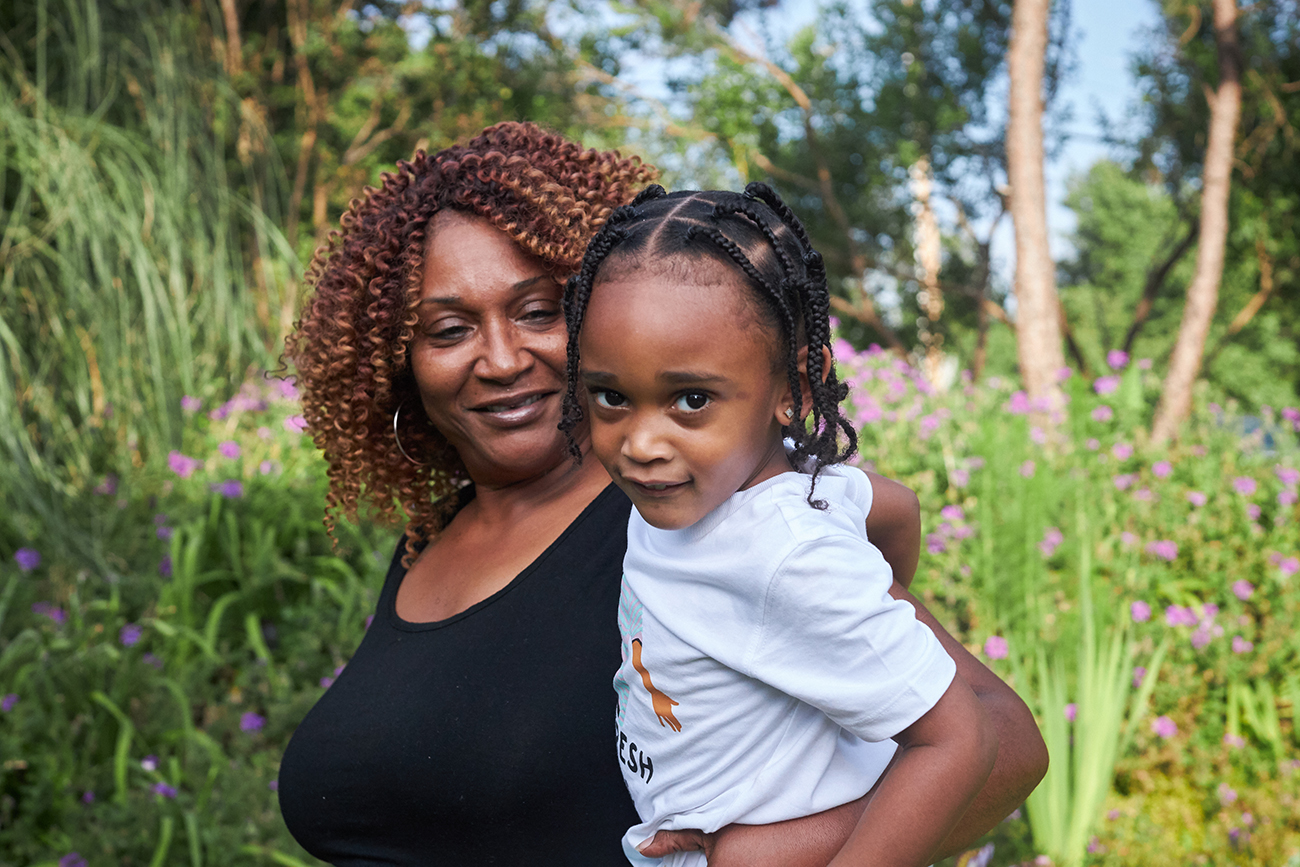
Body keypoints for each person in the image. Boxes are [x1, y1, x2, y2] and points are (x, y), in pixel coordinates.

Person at [278, 121, 1046, 866]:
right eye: (448, 330)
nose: (502, 359)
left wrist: (769, 852)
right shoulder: (431, 539)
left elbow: (1001, 740)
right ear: (399, 360)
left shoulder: (694, 512)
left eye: (538, 311)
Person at [560, 183, 998, 867]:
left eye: (691, 399)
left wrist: (857, 605)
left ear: (794, 389)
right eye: (611, 396)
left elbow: (960, 739)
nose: (639, 444)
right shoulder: (741, 485)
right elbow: (896, 506)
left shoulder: (789, 556)